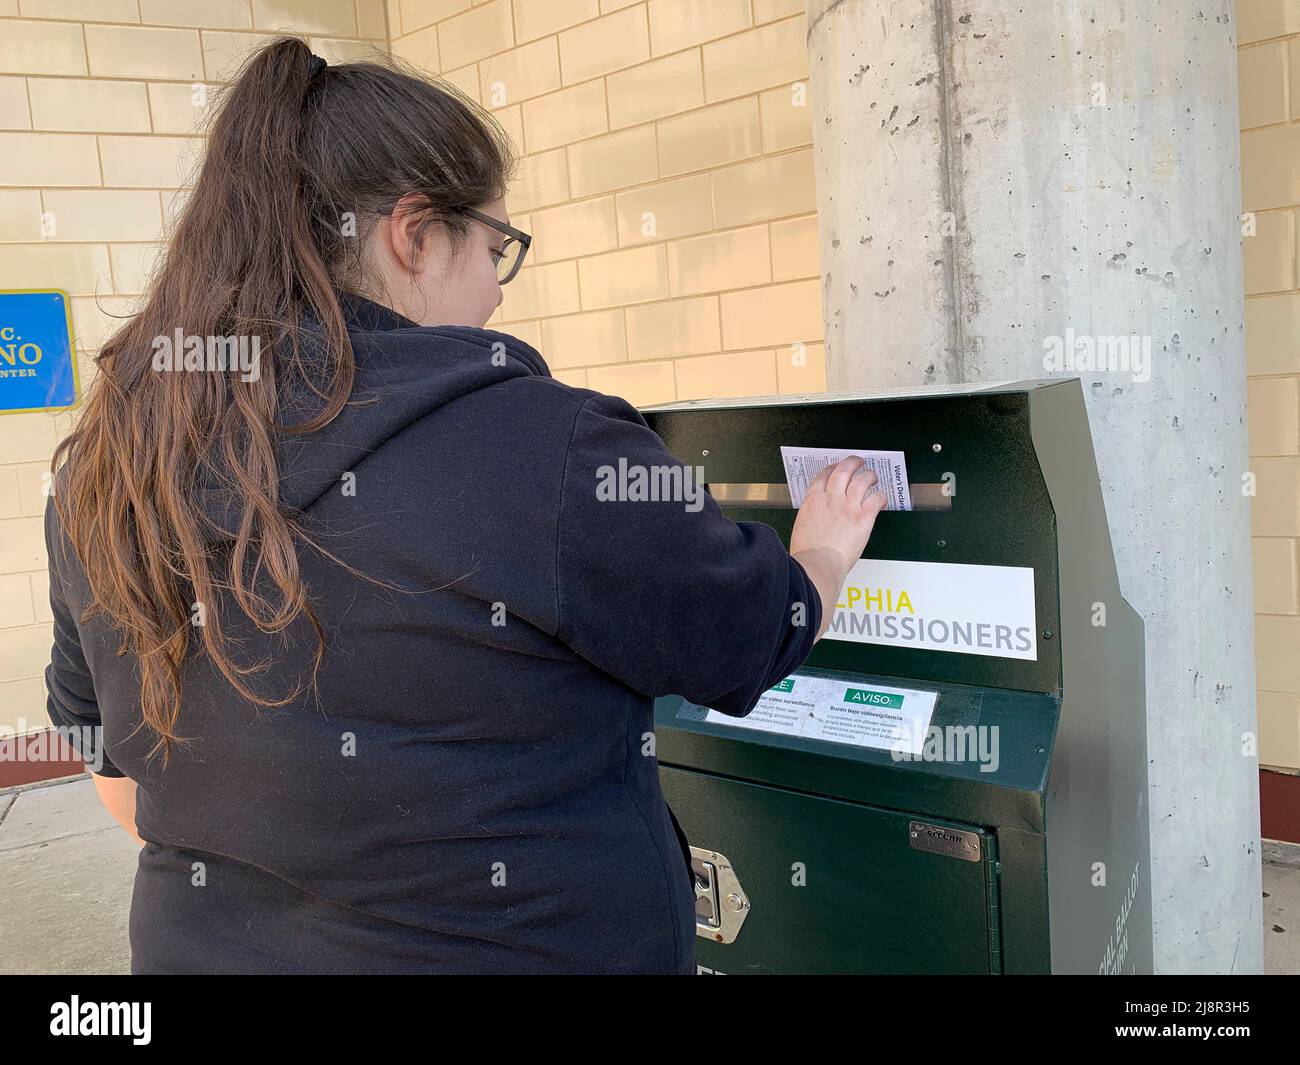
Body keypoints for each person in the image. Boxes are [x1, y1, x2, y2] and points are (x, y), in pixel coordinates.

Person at [43, 36, 888, 975]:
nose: (495, 287)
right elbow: (743, 637)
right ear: (411, 231)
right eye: (497, 246)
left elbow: (105, 759)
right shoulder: (541, 447)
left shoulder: (115, 463)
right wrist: (819, 554)